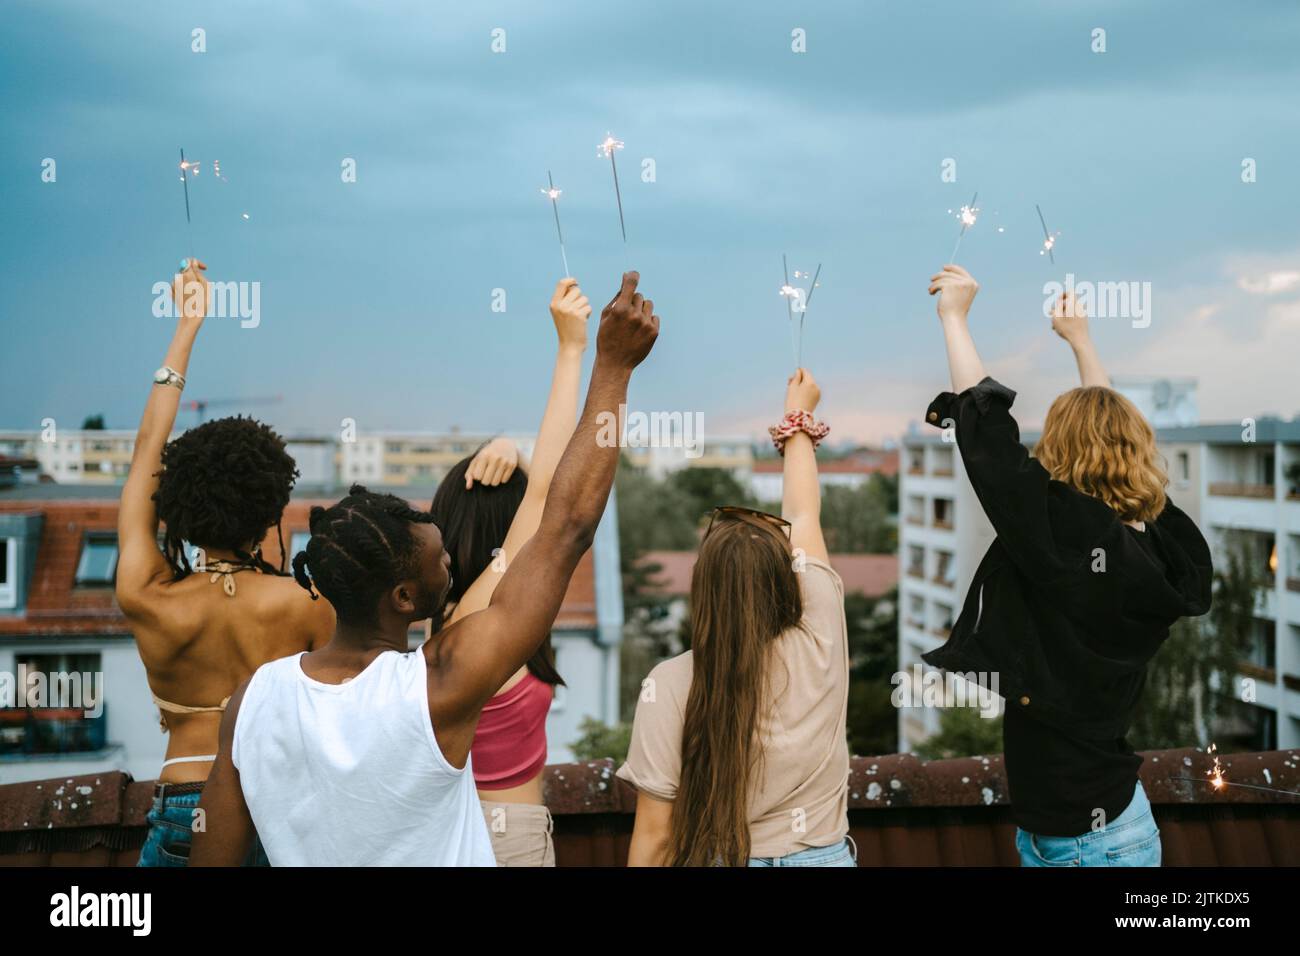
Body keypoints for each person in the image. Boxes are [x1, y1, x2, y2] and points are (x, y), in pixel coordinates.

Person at [189, 271, 658, 866]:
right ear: (405, 598)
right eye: (439, 556)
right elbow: (565, 527)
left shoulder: (254, 699)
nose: (452, 560)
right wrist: (611, 368)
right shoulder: (439, 684)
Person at [921, 264, 1213, 867]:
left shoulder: (1070, 546)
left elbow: (991, 449)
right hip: (1108, 826)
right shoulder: (1162, 546)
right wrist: (1082, 344)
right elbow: (1115, 449)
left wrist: (954, 318)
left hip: (1085, 844)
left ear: (1058, 451)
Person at [116, 259, 335, 867]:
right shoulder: (311, 605)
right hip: (276, 813)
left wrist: (187, 326)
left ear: (178, 509)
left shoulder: (146, 595)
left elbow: (144, 457)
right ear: (271, 507)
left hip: (182, 809)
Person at [618, 368, 856, 867]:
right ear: (786, 580)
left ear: (704, 591)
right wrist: (799, 418)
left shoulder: (670, 682)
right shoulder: (822, 637)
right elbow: (804, 515)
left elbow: (655, 836)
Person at [427, 278, 590, 866]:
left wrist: (512, 449)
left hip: (468, 833)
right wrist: (570, 349)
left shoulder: (446, 621)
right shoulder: (476, 616)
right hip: (502, 841)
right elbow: (548, 493)